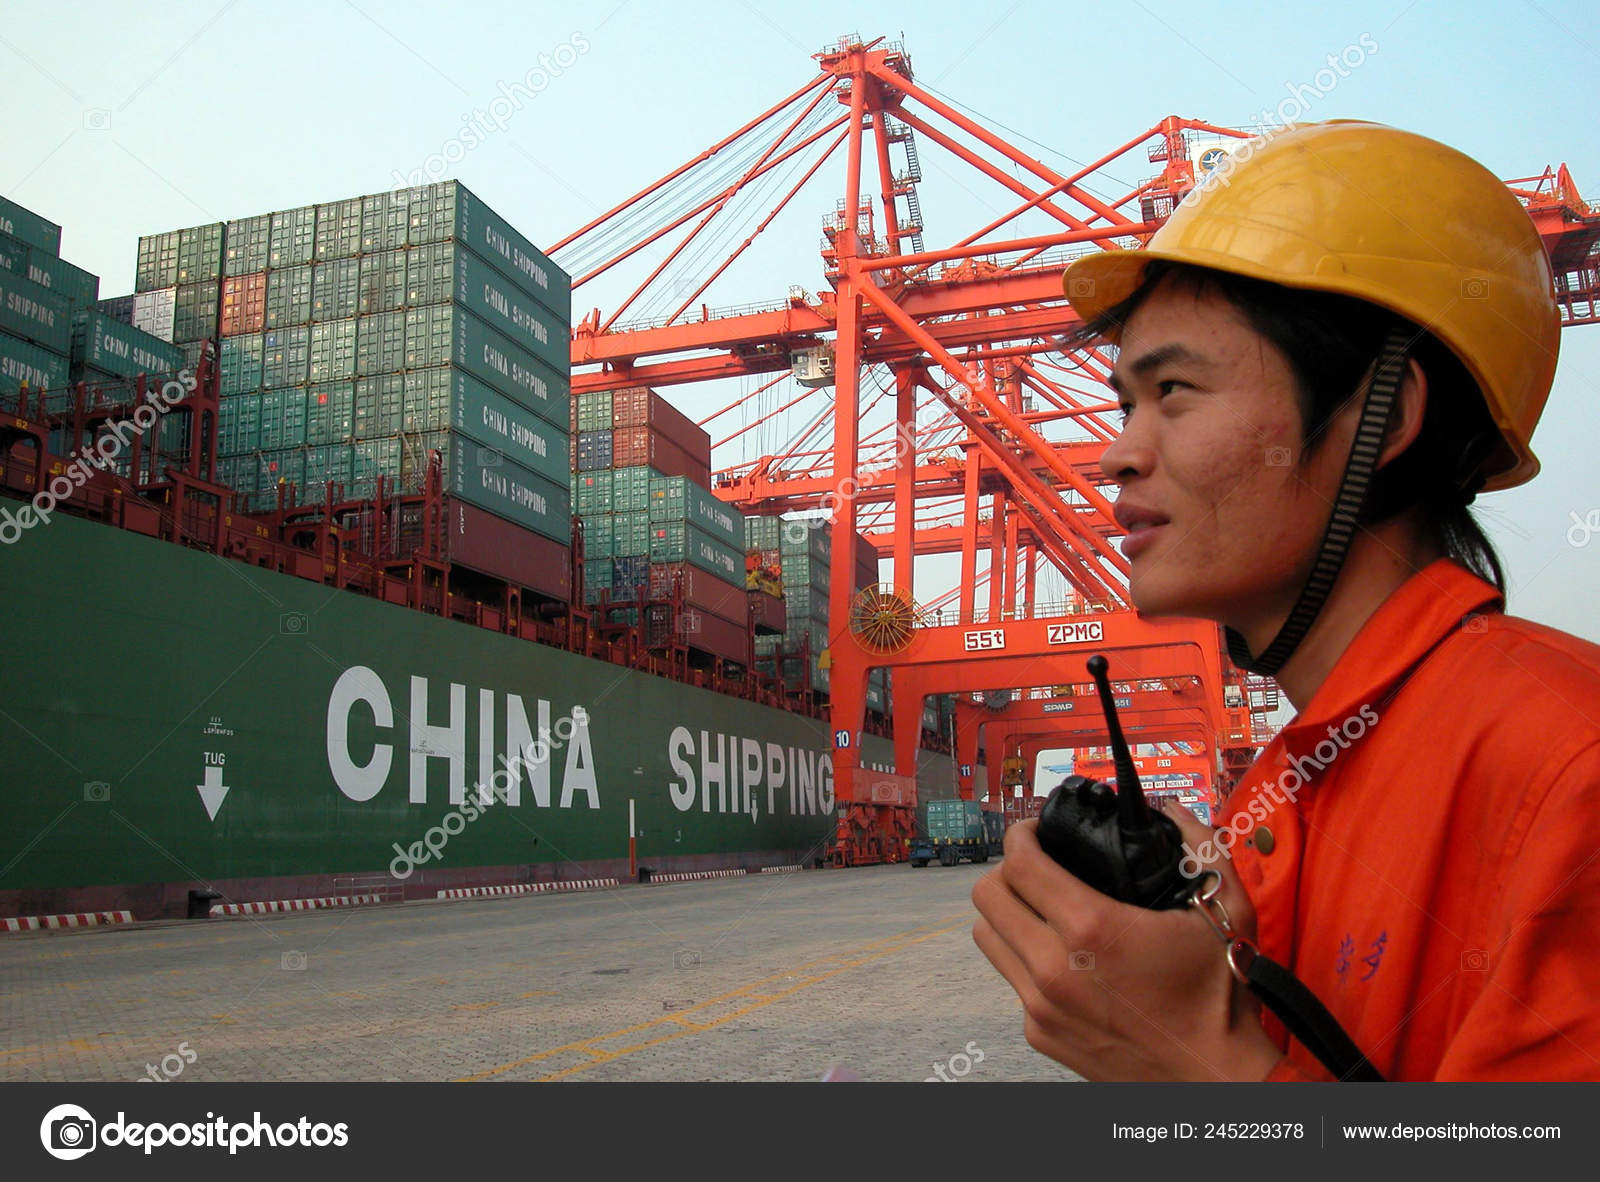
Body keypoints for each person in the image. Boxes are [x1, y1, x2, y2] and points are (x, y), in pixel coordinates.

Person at [970, 120, 1600, 1081]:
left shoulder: (1570, 769)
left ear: (1383, 416)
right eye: (1123, 405)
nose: (1117, 453)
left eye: (1173, 389)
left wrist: (1193, 1058)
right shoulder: (1281, 796)